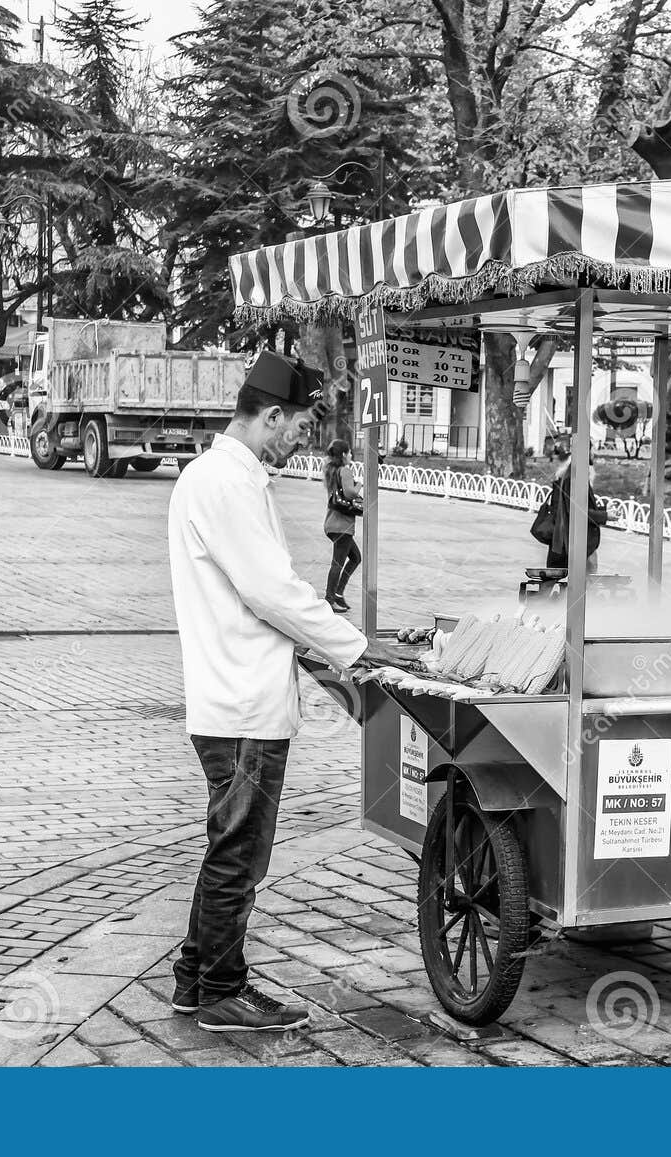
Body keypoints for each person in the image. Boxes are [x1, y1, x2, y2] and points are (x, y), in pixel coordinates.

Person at [167, 349, 407, 1033]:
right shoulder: (224, 482)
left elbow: (264, 594)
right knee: (239, 852)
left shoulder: (227, 477)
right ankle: (219, 987)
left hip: (239, 694)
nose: (303, 439)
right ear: (271, 416)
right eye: (299, 425)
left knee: (234, 845)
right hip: (240, 704)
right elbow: (270, 590)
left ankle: (198, 976)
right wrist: (357, 649)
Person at [536, 445, 608, 572]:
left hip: (564, 543)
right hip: (574, 543)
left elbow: (573, 507)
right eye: (592, 449)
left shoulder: (567, 480)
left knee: (557, 581)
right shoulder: (573, 481)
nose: (594, 453)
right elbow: (577, 511)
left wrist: (604, 511)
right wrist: (605, 516)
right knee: (585, 581)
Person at [322, 439, 364, 612]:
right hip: (342, 526)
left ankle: (338, 594)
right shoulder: (345, 470)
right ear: (344, 455)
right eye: (349, 453)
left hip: (333, 524)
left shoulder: (331, 470)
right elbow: (350, 493)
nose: (351, 455)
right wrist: (360, 483)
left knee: (355, 558)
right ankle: (329, 599)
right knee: (337, 563)